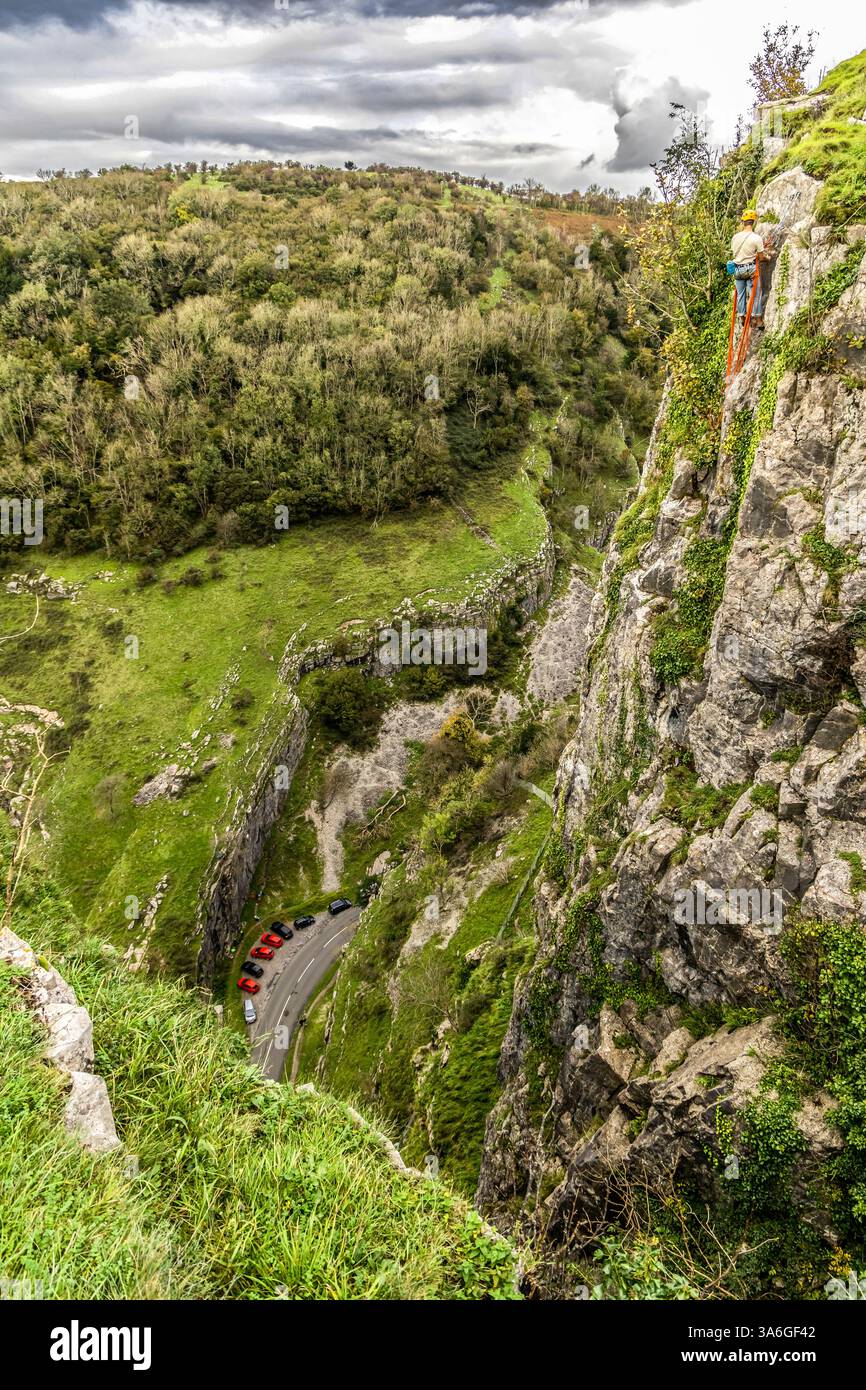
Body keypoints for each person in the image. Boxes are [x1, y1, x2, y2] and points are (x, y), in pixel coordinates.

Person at [730, 208, 765, 327]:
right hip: (750, 268)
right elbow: (761, 257)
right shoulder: (756, 238)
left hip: (737, 269)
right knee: (755, 294)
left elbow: (735, 252)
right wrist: (767, 258)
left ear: (743, 223)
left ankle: (742, 316)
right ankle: (758, 319)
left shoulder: (735, 237)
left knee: (740, 294)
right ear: (753, 222)